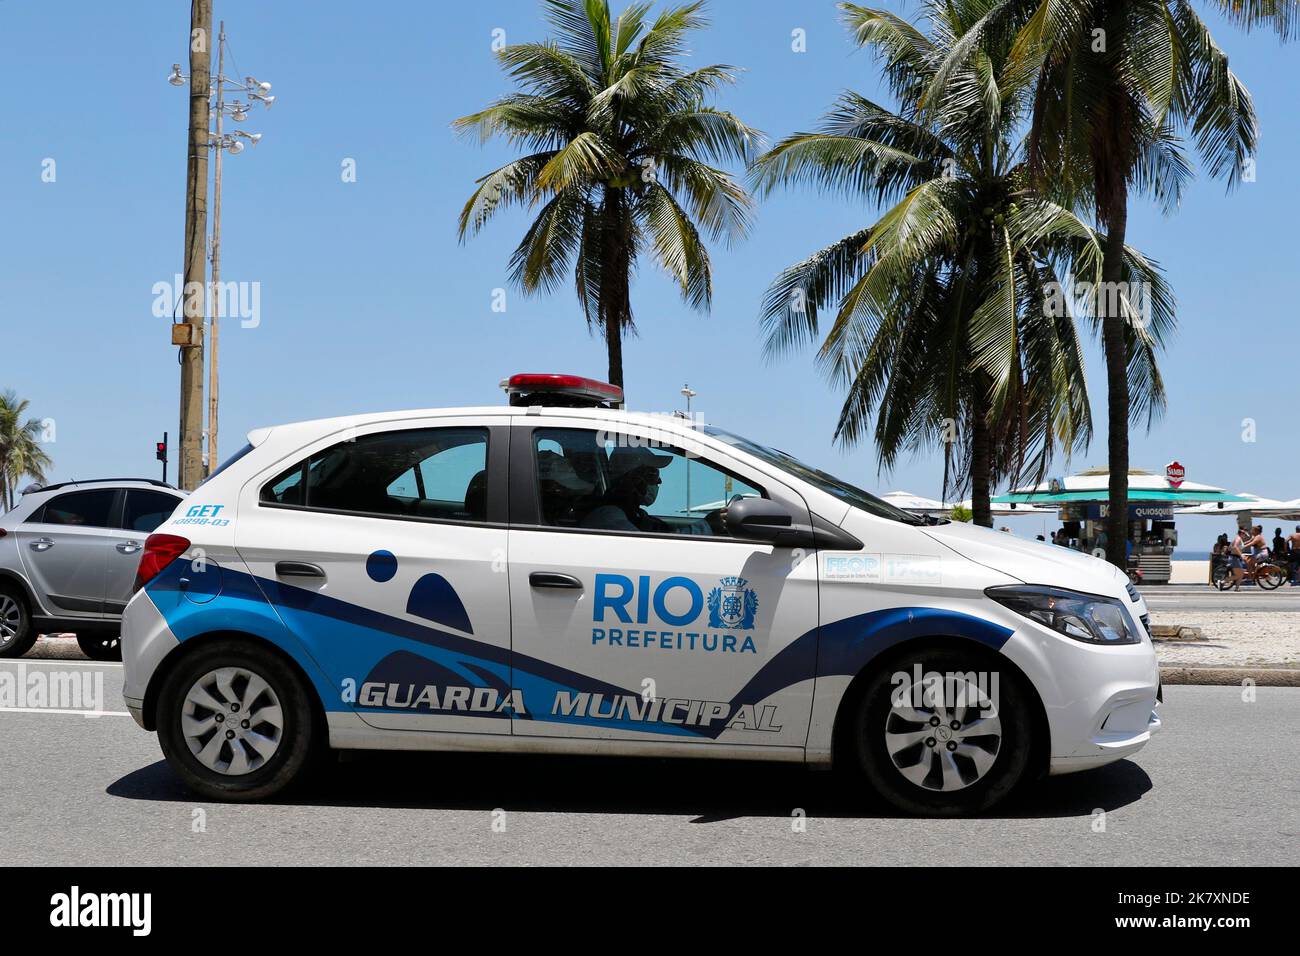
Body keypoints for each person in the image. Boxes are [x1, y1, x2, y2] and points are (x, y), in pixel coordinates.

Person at [582, 446, 673, 533]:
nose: (659, 481)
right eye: (652, 475)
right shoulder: (610, 518)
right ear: (633, 478)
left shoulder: (633, 514)